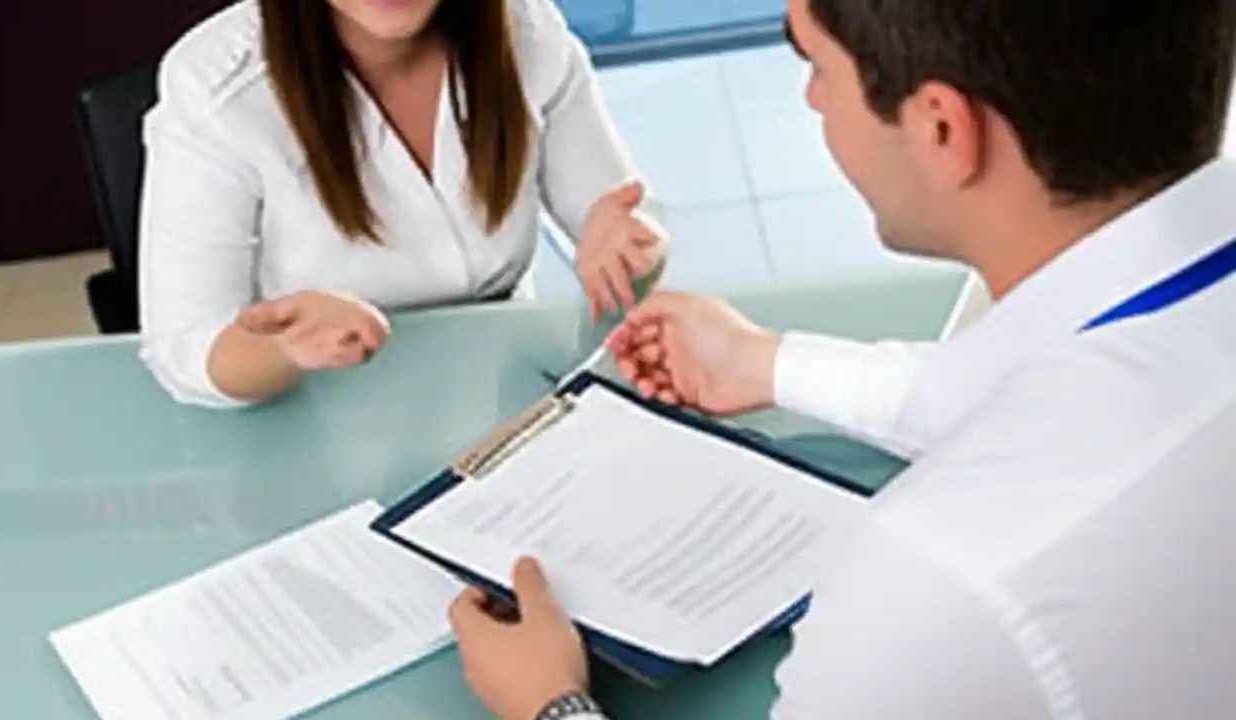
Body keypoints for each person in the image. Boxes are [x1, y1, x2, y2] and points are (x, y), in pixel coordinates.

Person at [447, 0, 1236, 718]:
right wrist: (766, 365)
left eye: (817, 65)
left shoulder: (935, 585)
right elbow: (1044, 387)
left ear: (940, 130)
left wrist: (552, 707)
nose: (813, 98)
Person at [139, 0, 666, 408]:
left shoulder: (523, 28)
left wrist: (628, 245)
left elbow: (624, 220)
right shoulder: (215, 88)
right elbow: (184, 348)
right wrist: (286, 349)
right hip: (320, 417)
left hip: (505, 401)